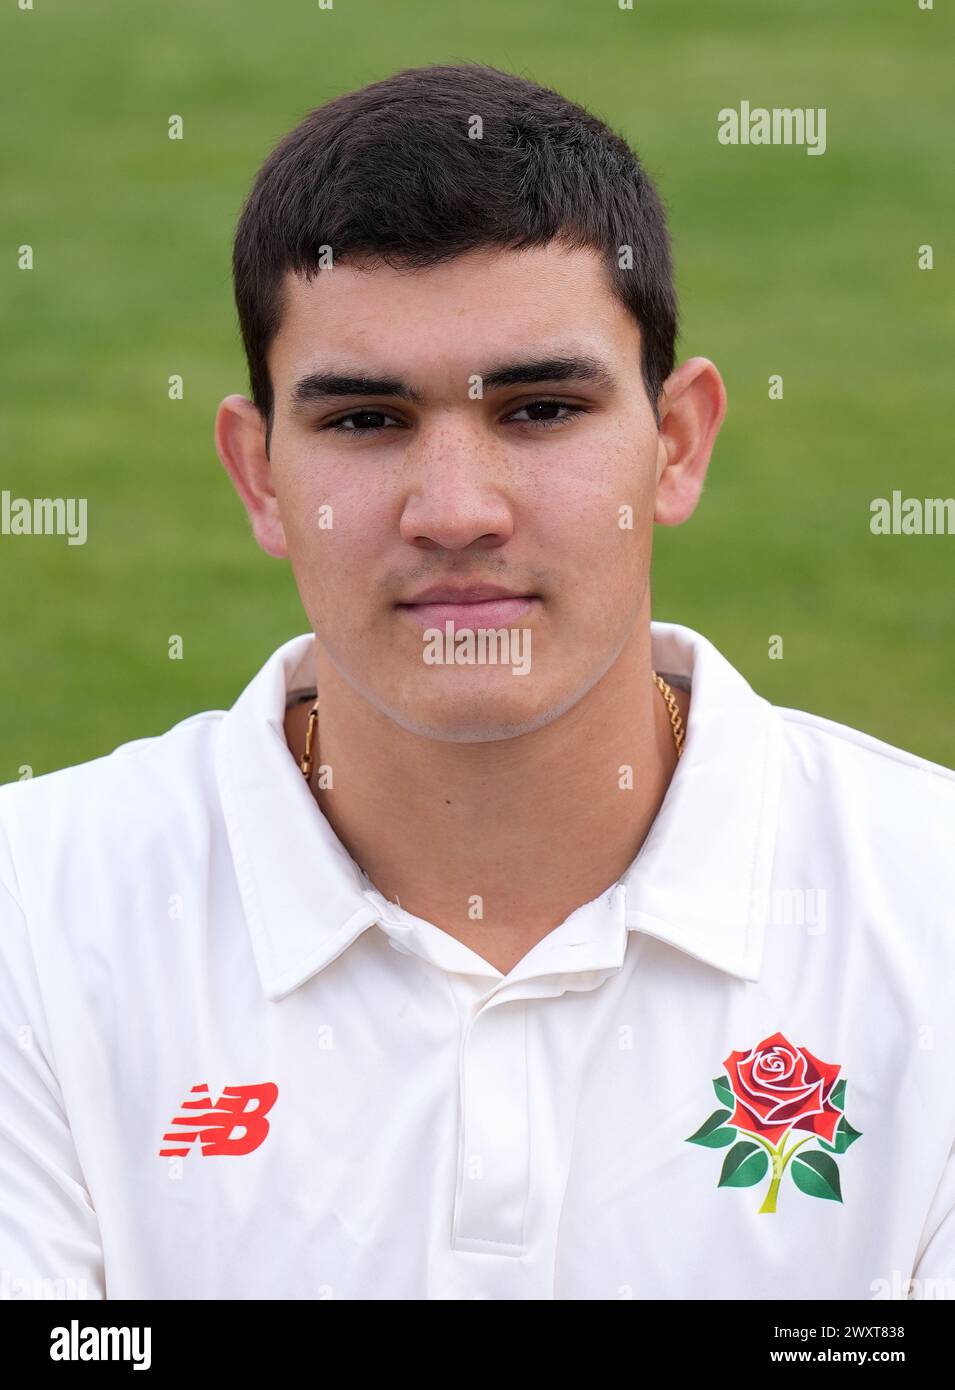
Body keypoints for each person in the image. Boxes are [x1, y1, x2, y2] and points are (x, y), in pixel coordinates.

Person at [0, 62, 952, 1302]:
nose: (455, 513)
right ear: (256, 474)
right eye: (362, 422)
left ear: (676, 443)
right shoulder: (28, 918)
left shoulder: (931, 915)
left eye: (542, 408)